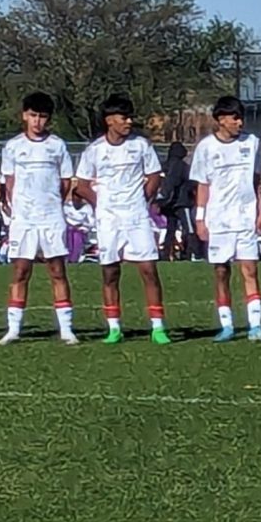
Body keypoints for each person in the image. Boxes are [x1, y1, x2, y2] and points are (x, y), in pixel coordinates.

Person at [74, 93, 168, 344]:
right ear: (109, 120)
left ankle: (158, 327)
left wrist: (144, 199)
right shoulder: (95, 150)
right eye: (123, 117)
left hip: (136, 216)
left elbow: (155, 175)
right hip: (109, 220)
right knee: (110, 272)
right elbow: (81, 185)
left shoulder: (141, 145)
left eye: (130, 117)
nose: (128, 122)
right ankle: (114, 327)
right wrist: (101, 204)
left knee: (148, 270)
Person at [0, 92, 79, 345]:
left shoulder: (57, 146)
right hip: (24, 219)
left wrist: (51, 202)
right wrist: (17, 208)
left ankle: (66, 329)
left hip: (51, 217)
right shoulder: (13, 147)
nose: (37, 121)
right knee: (21, 271)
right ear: (24, 115)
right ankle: (13, 329)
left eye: (42, 117)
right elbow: (8, 182)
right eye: (33, 115)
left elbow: (65, 182)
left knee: (57, 270)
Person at [192, 95, 261, 342]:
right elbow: (203, 186)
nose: (239, 122)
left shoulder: (252, 142)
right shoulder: (206, 148)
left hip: (245, 217)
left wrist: (260, 210)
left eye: (241, 117)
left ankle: (256, 326)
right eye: (235, 117)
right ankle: (227, 325)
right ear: (221, 120)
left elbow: (256, 180)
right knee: (221, 271)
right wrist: (200, 219)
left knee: (250, 269)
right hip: (219, 219)